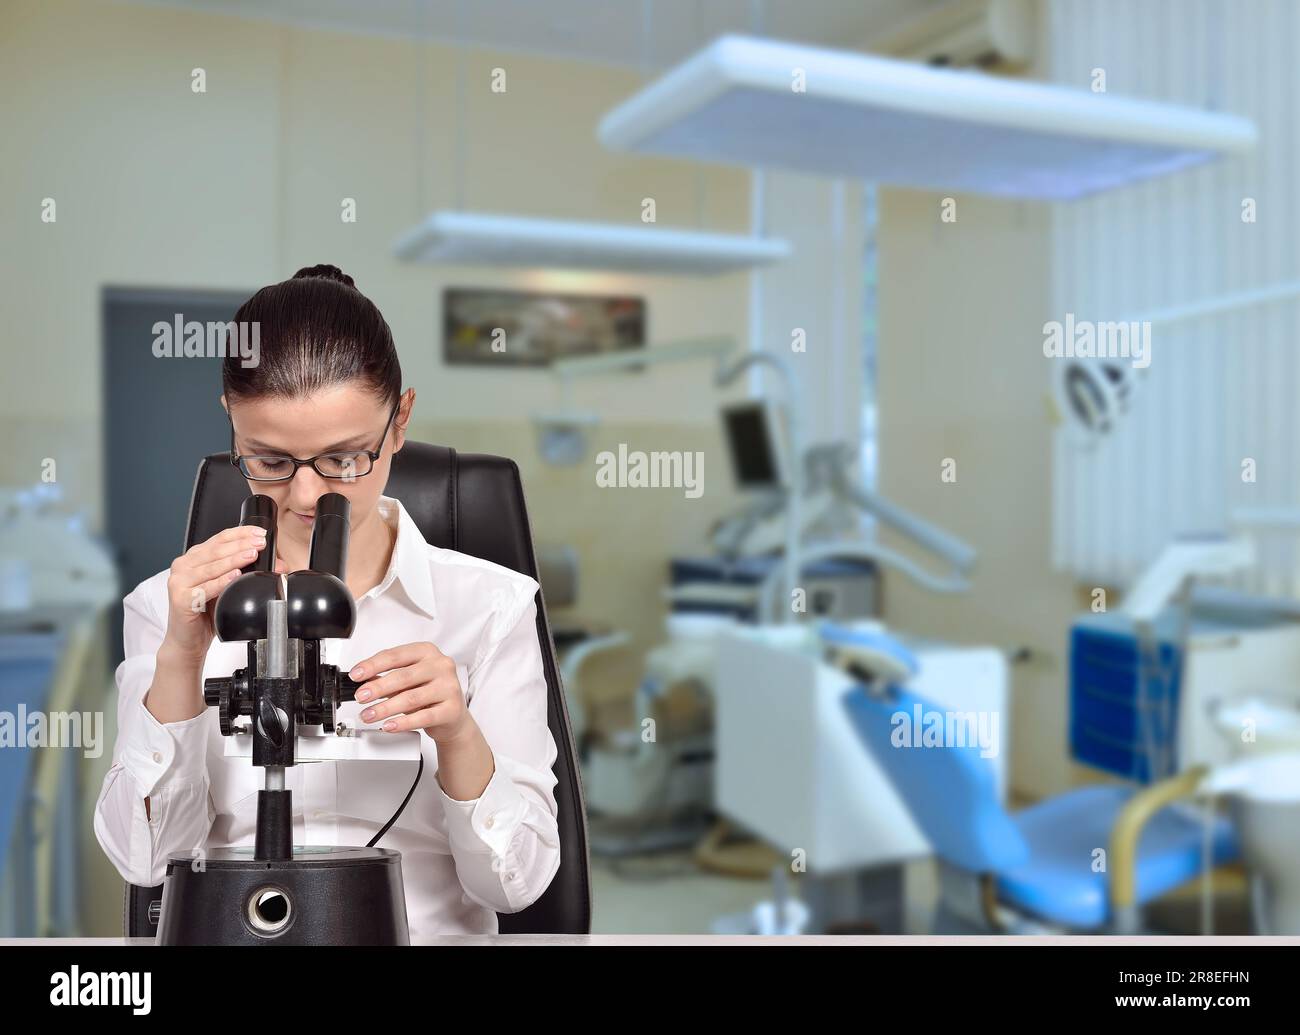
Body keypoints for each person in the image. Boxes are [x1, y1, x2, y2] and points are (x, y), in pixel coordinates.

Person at [93, 264, 561, 936]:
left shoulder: (490, 609)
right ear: (232, 424)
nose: (308, 496)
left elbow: (516, 888)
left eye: (345, 459)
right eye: (271, 460)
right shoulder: (167, 607)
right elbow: (145, 860)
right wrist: (179, 658)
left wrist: (459, 735)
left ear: (399, 421)